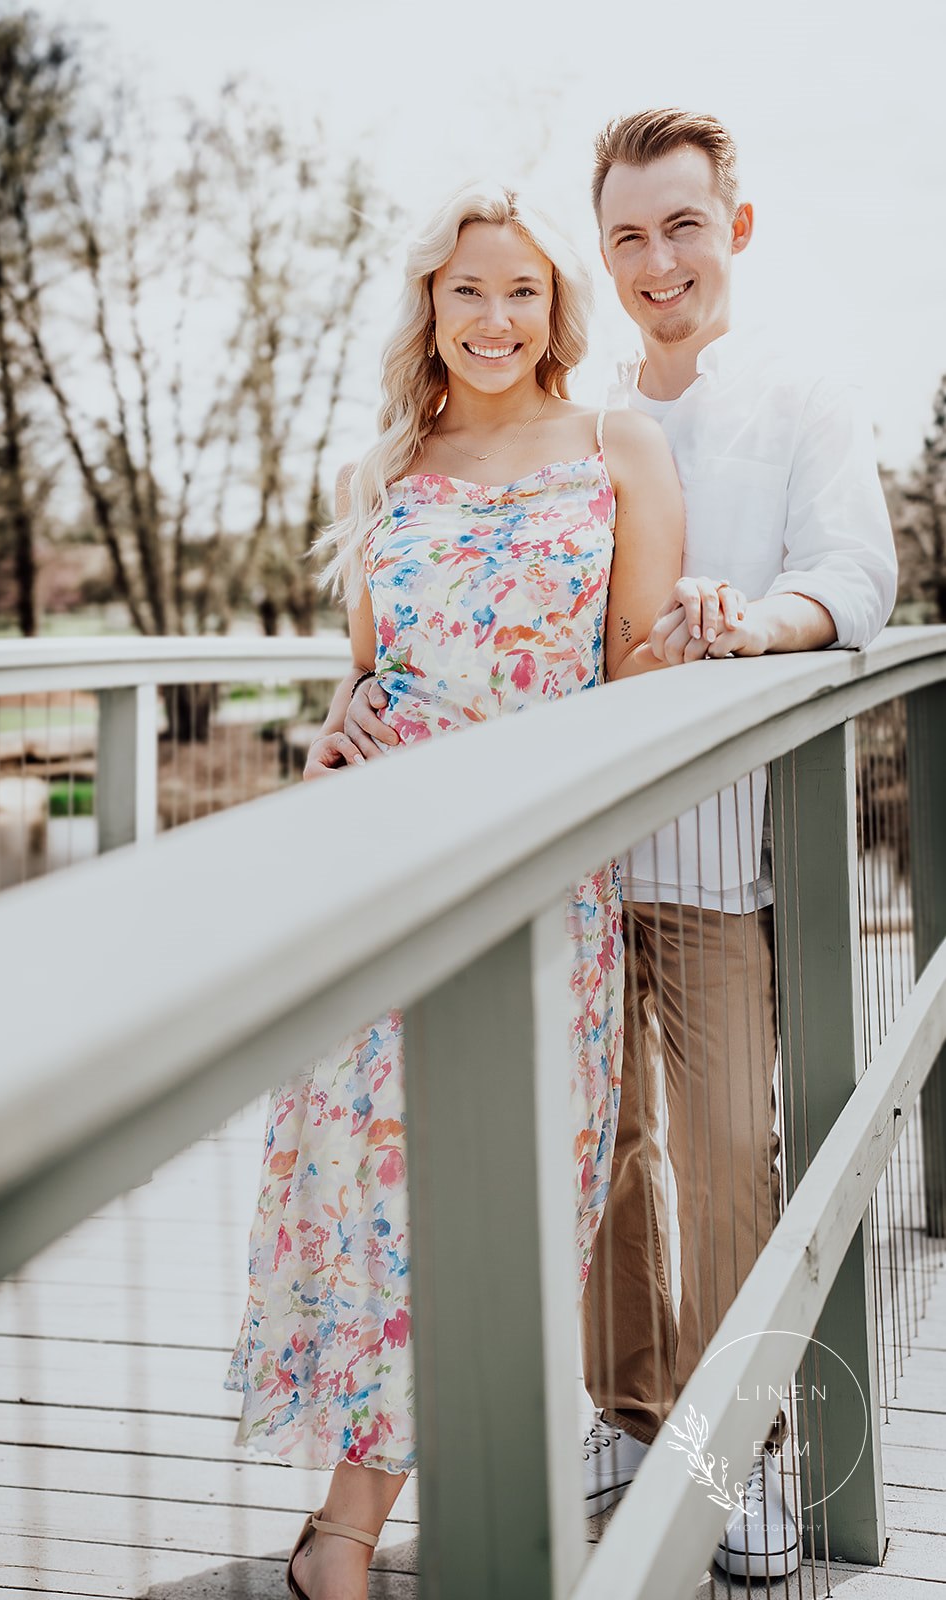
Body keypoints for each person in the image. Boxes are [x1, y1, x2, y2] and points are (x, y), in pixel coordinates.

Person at [341, 113, 898, 1582]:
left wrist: (758, 620)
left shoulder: (799, 399)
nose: (660, 261)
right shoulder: (570, 412)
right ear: (604, 255)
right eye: (632, 236)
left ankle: (749, 1455)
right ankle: (640, 1413)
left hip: (713, 860)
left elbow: (855, 575)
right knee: (600, 1173)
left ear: (737, 230)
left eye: (685, 226)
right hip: (570, 867)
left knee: (721, 1165)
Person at [226, 181, 688, 1600]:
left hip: (549, 878)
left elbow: (635, 671)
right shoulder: (382, 469)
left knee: (504, 1202)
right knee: (374, 1204)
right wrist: (335, 724)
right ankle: (347, 1535)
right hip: (388, 869)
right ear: (431, 306)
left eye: (523, 293)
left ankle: (356, 1532)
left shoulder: (619, 442)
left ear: (559, 312)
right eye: (468, 291)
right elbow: (373, 675)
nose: (494, 320)